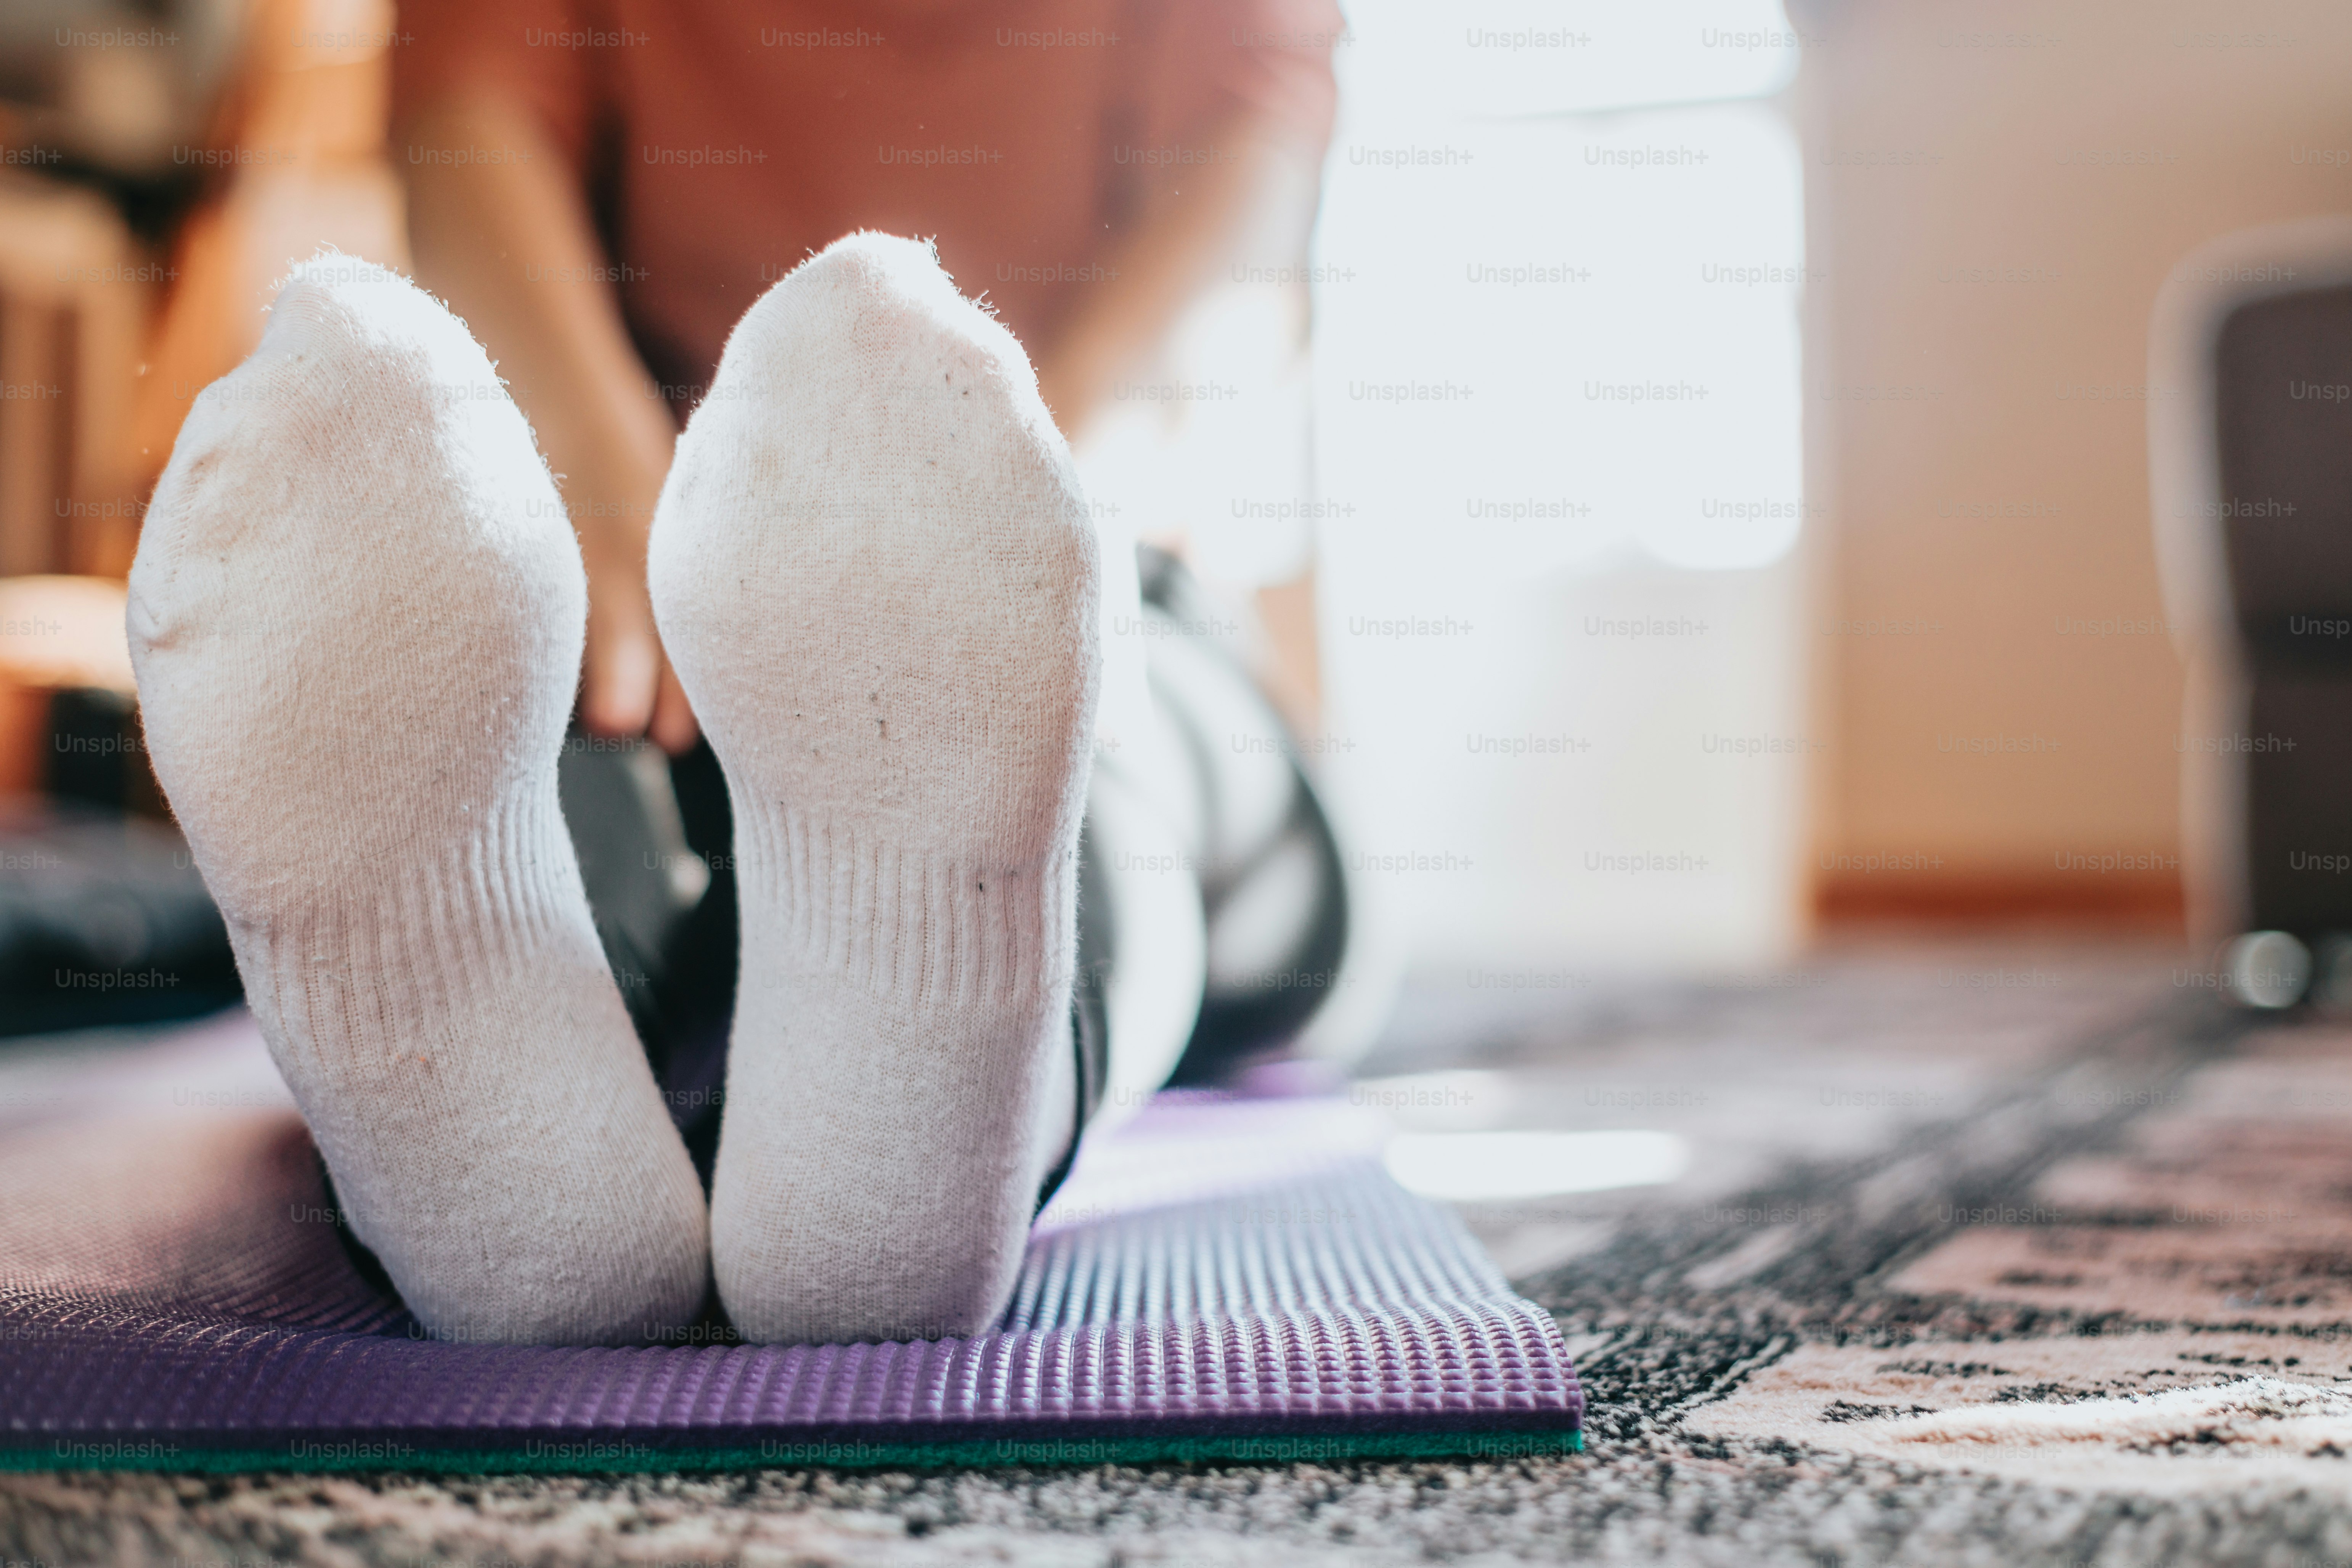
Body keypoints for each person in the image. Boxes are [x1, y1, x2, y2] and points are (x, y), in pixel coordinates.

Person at [126, 2, 1360, 1350]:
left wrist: (1038, 520)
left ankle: (624, 1192)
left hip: (1093, 539)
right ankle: (565, 1176)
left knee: (1110, 749)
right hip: (646, 555)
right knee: (564, 762)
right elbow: (472, 127)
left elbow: (1240, 209)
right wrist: (618, 494)